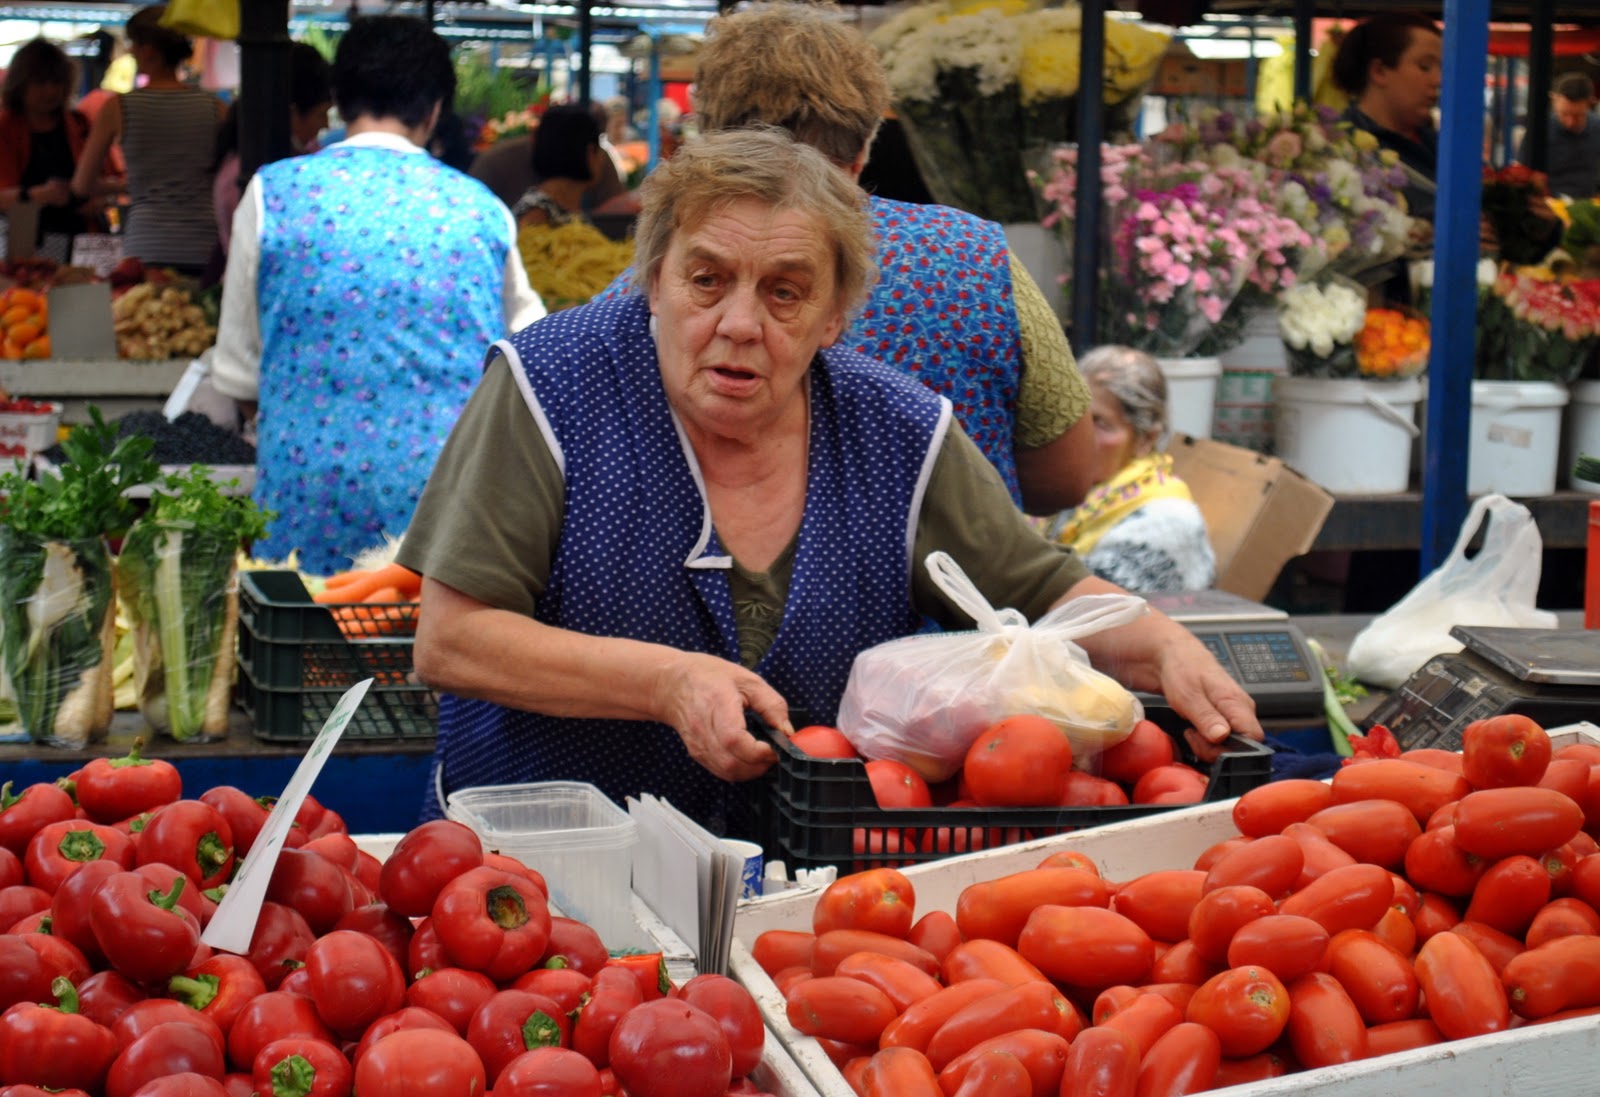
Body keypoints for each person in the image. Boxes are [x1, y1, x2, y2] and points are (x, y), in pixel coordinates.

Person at [399, 127, 1262, 833]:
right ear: (654, 277)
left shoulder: (898, 430)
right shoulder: (550, 385)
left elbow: (1041, 587)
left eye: (785, 292)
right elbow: (452, 638)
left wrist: (1163, 645)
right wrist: (666, 682)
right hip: (541, 879)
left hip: (797, 891)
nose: (739, 323)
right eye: (707, 280)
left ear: (835, 313)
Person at [596, 3, 1097, 514]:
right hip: (954, 586)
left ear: (707, 141)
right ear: (862, 151)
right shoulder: (974, 257)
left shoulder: (650, 293)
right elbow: (1067, 477)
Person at [210, 15, 545, 574]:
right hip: (446, 518)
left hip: (303, 508)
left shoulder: (273, 194)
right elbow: (533, 358)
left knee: (301, 647)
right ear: (436, 108)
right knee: (429, 656)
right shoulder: (482, 209)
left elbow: (241, 373)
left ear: (338, 100)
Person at [1042, 347, 1215, 593]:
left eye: (1099, 423)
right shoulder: (1074, 495)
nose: (1077, 433)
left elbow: (1088, 604)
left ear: (1145, 439)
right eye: (1074, 417)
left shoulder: (1168, 521)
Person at [71, 5, 225, 274]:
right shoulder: (216, 108)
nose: (130, 51)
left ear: (149, 49)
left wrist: (124, 187)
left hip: (146, 247)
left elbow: (81, 186)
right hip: (205, 245)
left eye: (134, 44)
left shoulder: (118, 108)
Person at [212, 41, 332, 259]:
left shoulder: (306, 153)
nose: (326, 125)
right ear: (291, 114)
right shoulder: (239, 177)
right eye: (320, 114)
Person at [1332, 13, 1443, 226]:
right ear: (1379, 71)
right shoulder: (1341, 149)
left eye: (1441, 69)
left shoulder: (1441, 145)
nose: (1438, 80)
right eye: (1425, 67)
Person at [0, 38, 109, 245]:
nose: (50, 91)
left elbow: (103, 177)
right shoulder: (5, 127)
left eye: (56, 82)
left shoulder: (79, 123)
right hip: (22, 239)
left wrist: (97, 200)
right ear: (21, 83)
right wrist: (36, 195)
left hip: (81, 236)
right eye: (41, 82)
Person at [1518, 72, 1600, 199]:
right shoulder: (1539, 131)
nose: (1570, 122)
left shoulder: (1597, 128)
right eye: (1564, 114)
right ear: (1554, 100)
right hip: (1547, 206)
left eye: (1578, 116)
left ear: (1590, 103)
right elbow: (1522, 172)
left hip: (1588, 206)